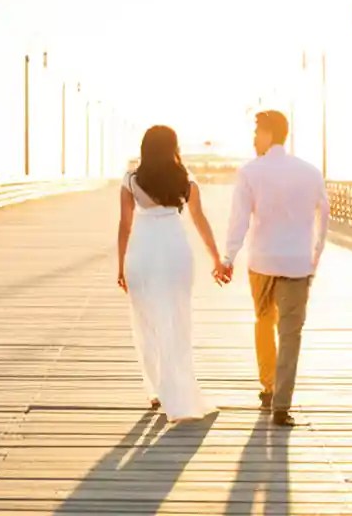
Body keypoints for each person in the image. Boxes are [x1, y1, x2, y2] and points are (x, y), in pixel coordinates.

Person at [217, 110, 329, 428]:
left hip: (263, 261)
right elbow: (325, 215)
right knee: (291, 333)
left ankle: (268, 386)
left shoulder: (251, 172)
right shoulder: (310, 172)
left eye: (257, 132)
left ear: (269, 134)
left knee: (264, 321)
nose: (254, 139)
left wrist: (228, 257)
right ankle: (282, 403)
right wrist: (315, 254)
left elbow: (239, 220)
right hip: (297, 262)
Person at [117, 125, 224, 422]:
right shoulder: (185, 181)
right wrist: (216, 258)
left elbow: (124, 226)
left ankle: (157, 389)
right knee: (177, 320)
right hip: (176, 252)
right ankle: (176, 390)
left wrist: (120, 265)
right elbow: (199, 220)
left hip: (142, 252)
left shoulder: (131, 180)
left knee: (147, 321)